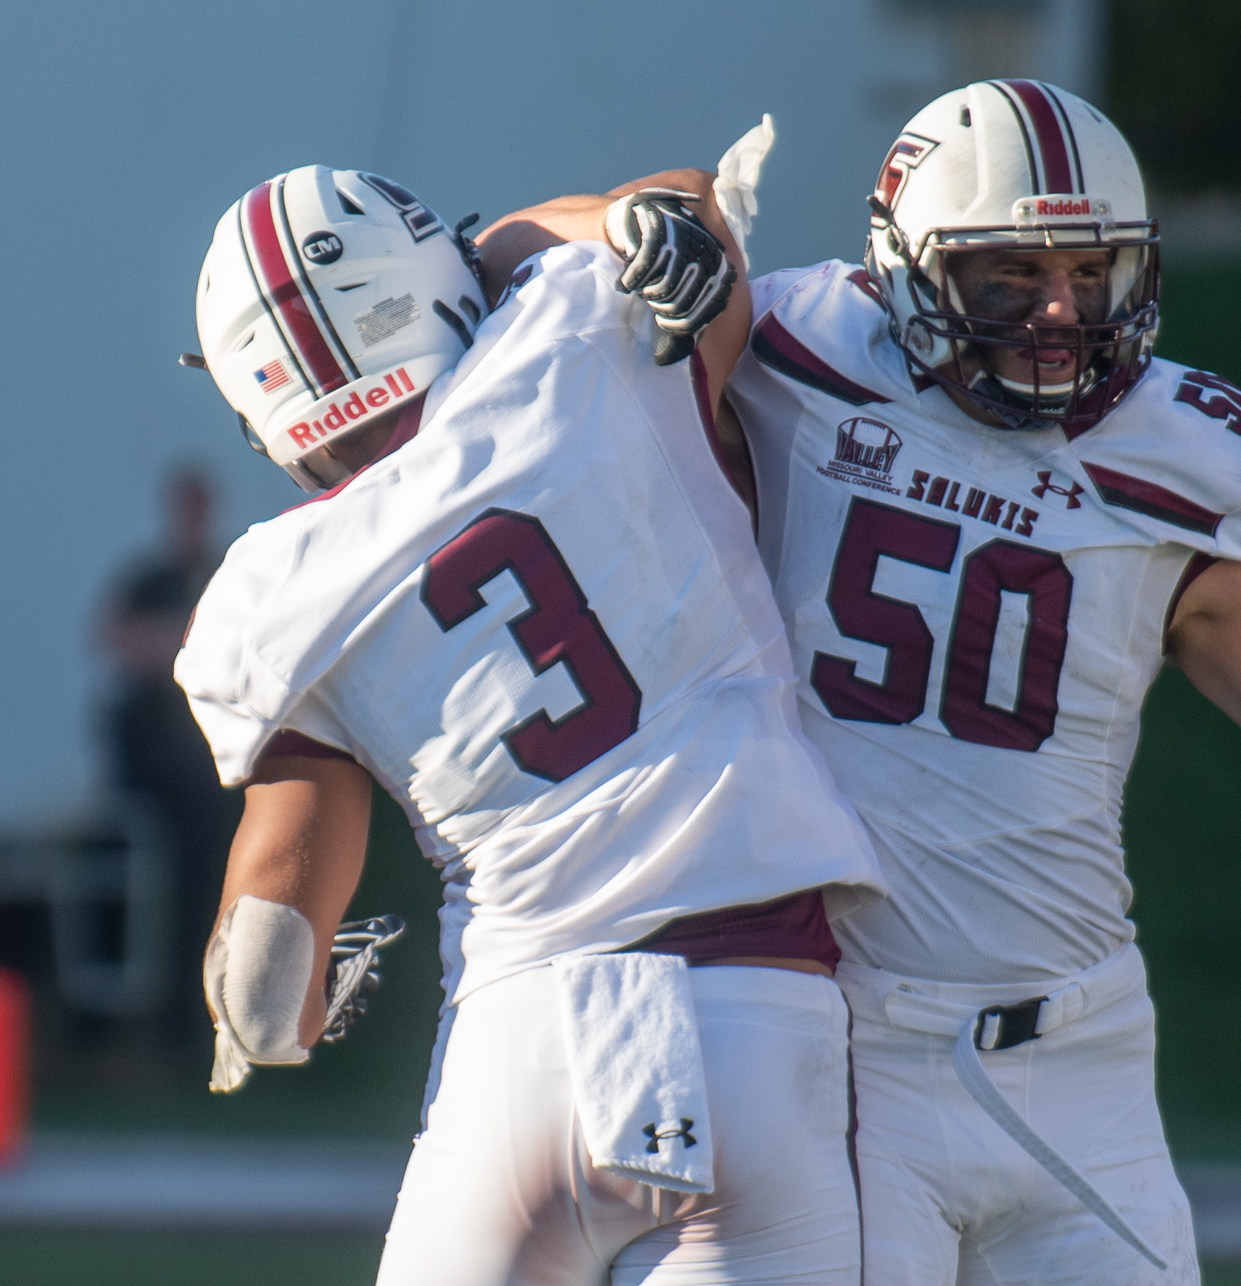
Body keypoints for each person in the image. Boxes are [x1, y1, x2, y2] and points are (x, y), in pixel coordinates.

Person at [525, 80, 1241, 1286]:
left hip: (1084, 1049)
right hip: (841, 1045)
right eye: (1007, 276)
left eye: (1090, 272)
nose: (1057, 313)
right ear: (900, 266)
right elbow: (514, 252)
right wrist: (628, 223)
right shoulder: (788, 347)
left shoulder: (1190, 456)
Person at [175, 160, 881, 1286]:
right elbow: (680, 206)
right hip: (757, 1014)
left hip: (521, 1043)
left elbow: (270, 974)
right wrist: (538, 233)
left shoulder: (269, 594)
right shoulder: (571, 337)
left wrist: (277, 1022)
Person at [96, 466, 232, 1050]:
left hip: (211, 774)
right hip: (152, 775)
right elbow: (114, 640)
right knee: (137, 892)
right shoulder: (150, 578)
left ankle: (193, 1029)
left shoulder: (228, 571)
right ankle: (124, 1031)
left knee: (204, 898)